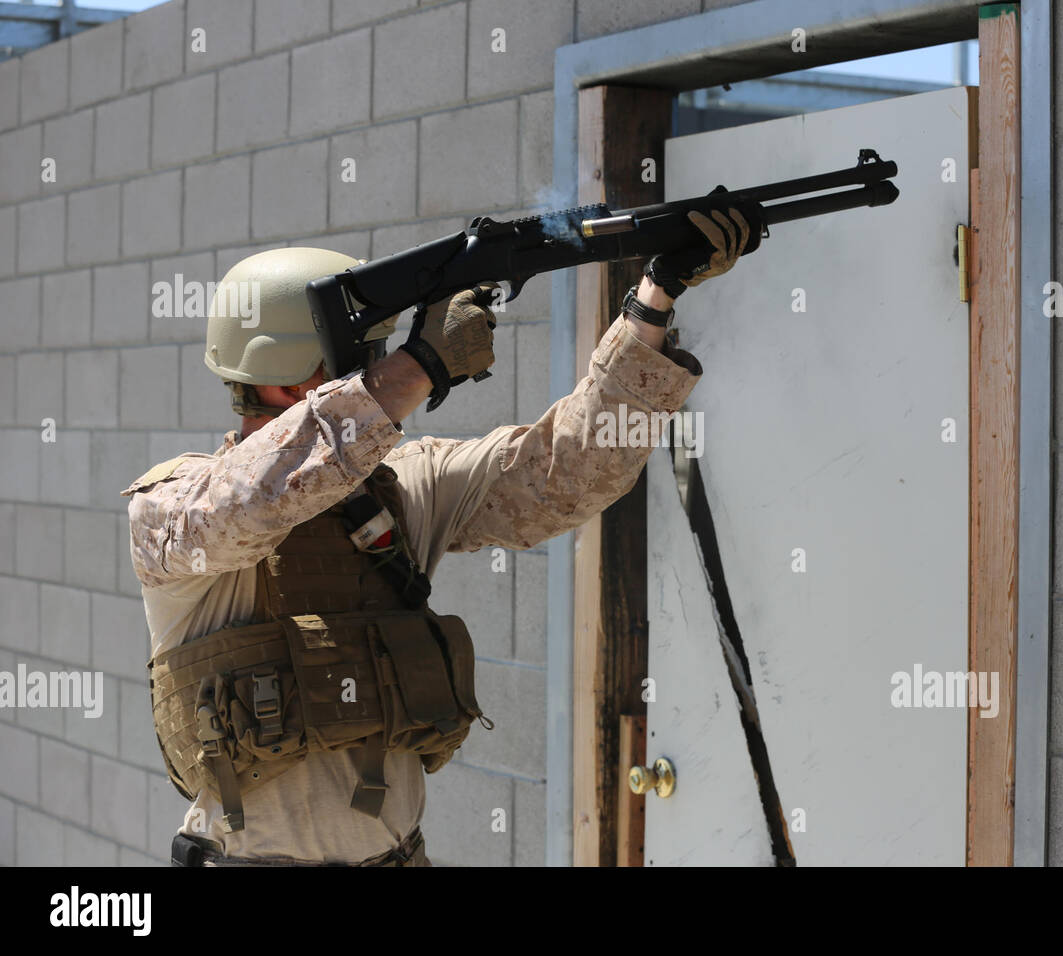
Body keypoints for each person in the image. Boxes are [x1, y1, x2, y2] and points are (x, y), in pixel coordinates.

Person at [122, 208, 755, 866]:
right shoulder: (172, 511)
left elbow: (567, 472)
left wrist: (653, 299)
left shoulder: (399, 489)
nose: (380, 363)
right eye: (368, 352)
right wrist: (418, 365)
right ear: (289, 381)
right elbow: (251, 501)